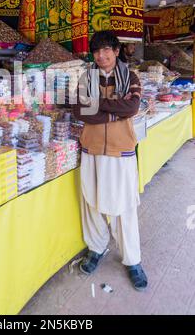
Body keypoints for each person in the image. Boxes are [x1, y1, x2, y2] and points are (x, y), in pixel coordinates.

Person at [73, 30, 147, 291]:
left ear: (116, 52)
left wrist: (99, 105)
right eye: (97, 51)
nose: (101, 55)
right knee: (91, 202)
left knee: (123, 206)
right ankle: (96, 247)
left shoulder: (131, 77)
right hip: (92, 148)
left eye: (107, 50)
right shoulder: (86, 78)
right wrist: (112, 109)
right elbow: (80, 110)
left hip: (120, 150)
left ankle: (133, 260)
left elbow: (132, 108)